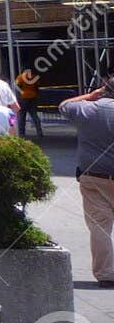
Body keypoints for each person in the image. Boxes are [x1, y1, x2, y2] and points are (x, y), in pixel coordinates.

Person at [59, 76, 114, 285]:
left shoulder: (87, 110)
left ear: (103, 90)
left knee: (100, 228)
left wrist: (90, 96)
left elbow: (64, 105)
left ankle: (106, 274)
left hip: (94, 177)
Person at [15, 67, 45, 140]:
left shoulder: (20, 77)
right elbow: (37, 87)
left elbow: (17, 86)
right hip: (33, 97)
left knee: (22, 115)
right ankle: (39, 132)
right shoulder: (34, 77)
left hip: (23, 98)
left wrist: (20, 94)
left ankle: (22, 133)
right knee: (34, 115)